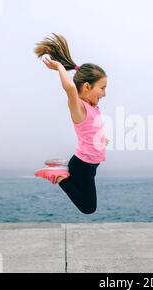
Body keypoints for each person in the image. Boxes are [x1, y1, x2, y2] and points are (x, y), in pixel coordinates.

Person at [33, 33, 108, 215]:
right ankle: (58, 176)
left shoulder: (93, 107)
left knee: (88, 205)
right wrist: (60, 67)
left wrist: (102, 139)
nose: (105, 93)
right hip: (82, 165)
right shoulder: (79, 107)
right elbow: (70, 88)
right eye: (102, 88)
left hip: (90, 165)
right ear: (87, 87)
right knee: (88, 208)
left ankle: (61, 170)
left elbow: (90, 130)